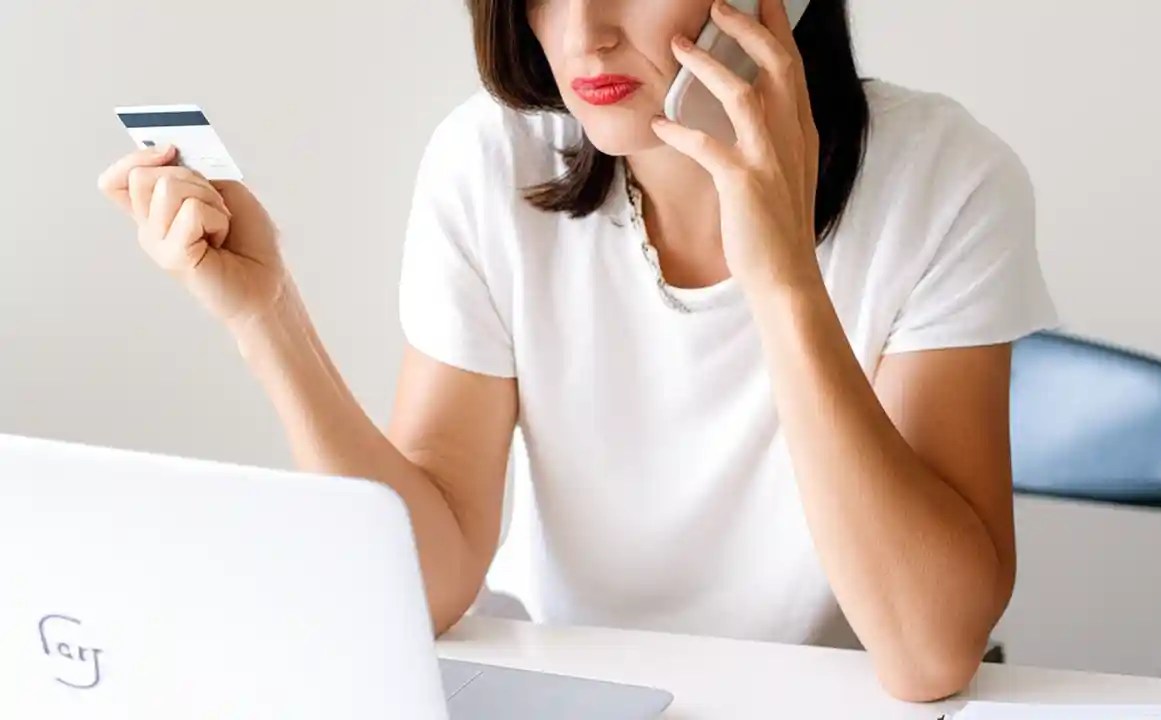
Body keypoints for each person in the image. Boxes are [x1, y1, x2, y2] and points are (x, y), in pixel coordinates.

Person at [96, 0, 1056, 702]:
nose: (585, 30)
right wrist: (267, 315)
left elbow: (929, 652)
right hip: (569, 690)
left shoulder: (946, 180)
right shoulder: (489, 161)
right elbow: (423, 584)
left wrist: (782, 277)